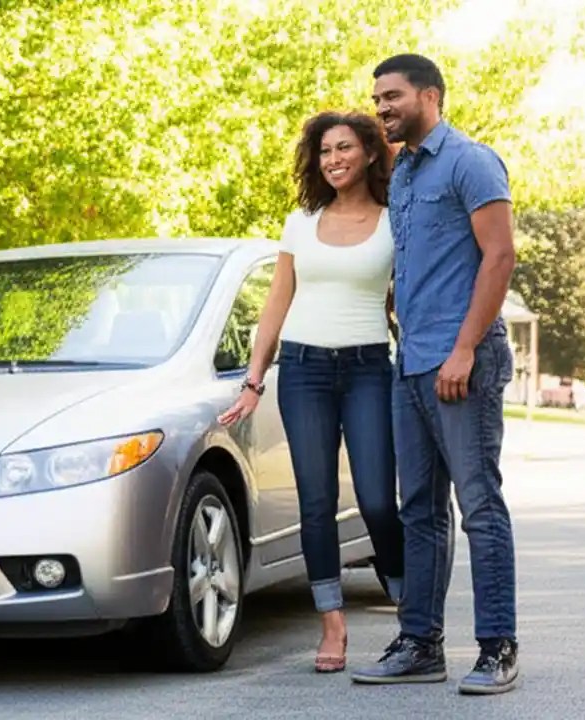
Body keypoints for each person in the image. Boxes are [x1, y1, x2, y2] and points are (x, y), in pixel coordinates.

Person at [350, 53, 520, 695]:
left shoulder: (471, 161)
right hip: (411, 361)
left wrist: (465, 348)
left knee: (479, 505)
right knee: (418, 509)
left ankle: (498, 646)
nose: (383, 107)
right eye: (378, 99)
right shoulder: (402, 174)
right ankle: (421, 643)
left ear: (430, 95)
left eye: (392, 96)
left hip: (461, 363)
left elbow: (499, 256)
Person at [218, 110, 404, 674]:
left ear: (370, 153)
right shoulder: (301, 222)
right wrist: (254, 380)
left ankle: (412, 613)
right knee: (316, 502)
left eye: (345, 148)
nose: (334, 160)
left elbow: (408, 298)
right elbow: (277, 302)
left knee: (376, 499)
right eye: (324, 151)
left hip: (370, 367)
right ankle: (333, 624)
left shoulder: (397, 219)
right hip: (303, 370)